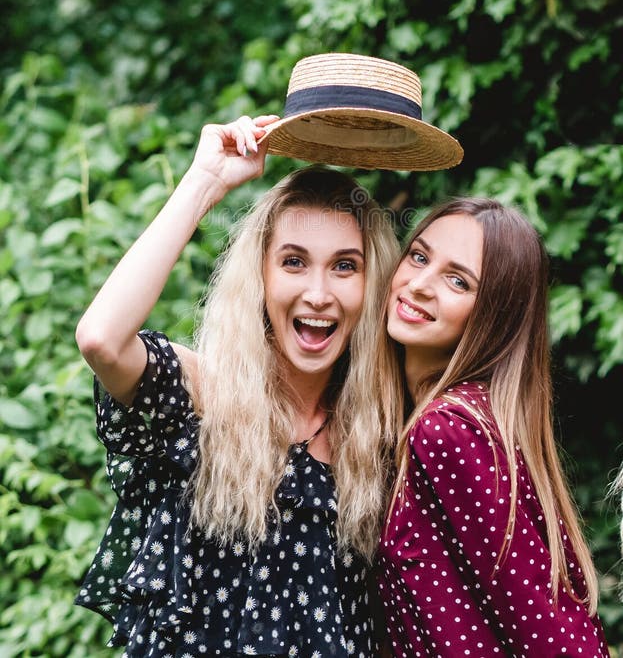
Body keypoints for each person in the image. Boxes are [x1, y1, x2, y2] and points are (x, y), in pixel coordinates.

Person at [74, 114, 402, 658]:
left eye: (345, 266)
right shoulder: (205, 396)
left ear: (371, 287)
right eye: (294, 262)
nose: (318, 293)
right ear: (261, 277)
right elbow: (102, 339)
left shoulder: (381, 435)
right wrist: (205, 180)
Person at [376, 197, 610, 657]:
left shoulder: (447, 431)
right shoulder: (459, 419)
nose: (420, 285)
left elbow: (550, 633)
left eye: (458, 280)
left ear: (494, 316)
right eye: (419, 256)